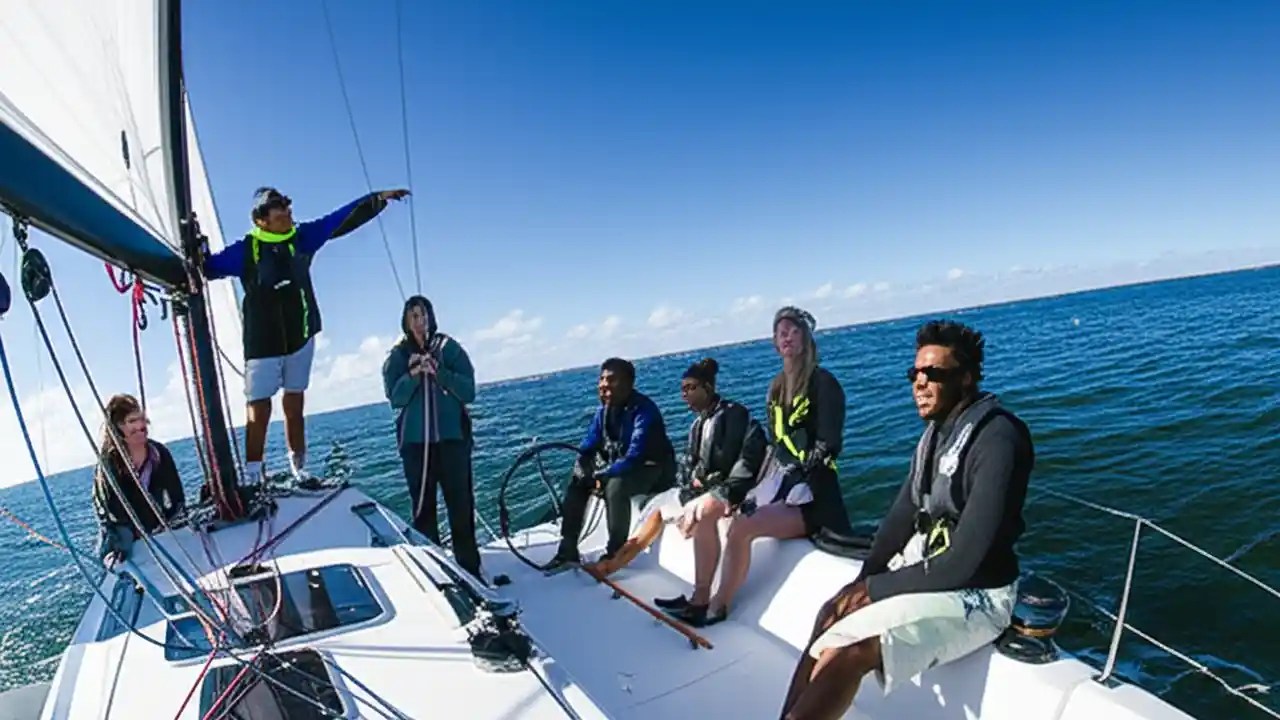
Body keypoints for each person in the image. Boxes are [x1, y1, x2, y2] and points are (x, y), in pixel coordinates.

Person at [778, 320, 1034, 720]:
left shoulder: (999, 438)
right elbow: (899, 519)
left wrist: (877, 589)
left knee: (852, 648)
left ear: (966, 379)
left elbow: (966, 560)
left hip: (979, 594)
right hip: (931, 575)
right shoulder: (934, 435)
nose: (920, 382)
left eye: (934, 373)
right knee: (831, 610)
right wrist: (861, 581)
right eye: (914, 373)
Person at [203, 186, 410, 484]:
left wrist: (378, 199)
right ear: (261, 219)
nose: (287, 209)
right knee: (258, 408)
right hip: (262, 345)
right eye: (278, 206)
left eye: (287, 204)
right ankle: (251, 475)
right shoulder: (246, 250)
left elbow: (338, 221)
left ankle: (298, 468)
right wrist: (197, 256)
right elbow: (209, 267)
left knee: (294, 402)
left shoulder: (302, 237)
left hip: (301, 336)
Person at [689, 306, 852, 627]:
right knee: (730, 517)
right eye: (782, 333)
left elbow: (829, 443)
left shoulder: (824, 383)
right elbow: (775, 447)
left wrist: (801, 475)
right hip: (783, 485)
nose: (788, 337)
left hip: (816, 495)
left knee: (742, 528)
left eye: (794, 331)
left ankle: (718, 607)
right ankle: (701, 596)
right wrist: (752, 491)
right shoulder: (776, 387)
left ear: (805, 339)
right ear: (775, 343)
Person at [589, 358, 766, 595]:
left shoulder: (732, 414)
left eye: (691, 388)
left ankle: (612, 564)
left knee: (657, 512)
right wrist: (692, 480)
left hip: (723, 491)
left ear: (708, 388)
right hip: (699, 489)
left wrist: (710, 486)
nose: (685, 394)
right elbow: (693, 462)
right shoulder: (697, 425)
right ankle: (614, 560)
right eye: (683, 389)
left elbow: (732, 459)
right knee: (655, 509)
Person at [543, 358, 677, 573]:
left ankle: (615, 552)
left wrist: (602, 476)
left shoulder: (645, 411)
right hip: (621, 469)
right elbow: (588, 446)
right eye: (602, 379)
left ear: (628, 383)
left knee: (616, 486)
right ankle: (567, 551)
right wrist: (583, 467)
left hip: (653, 472)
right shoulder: (602, 412)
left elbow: (635, 456)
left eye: (612, 380)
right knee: (578, 481)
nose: (604, 384)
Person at [382, 295, 482, 580]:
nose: (419, 320)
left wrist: (439, 372)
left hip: (452, 441)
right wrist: (413, 374)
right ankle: (435, 572)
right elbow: (395, 399)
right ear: (406, 320)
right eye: (413, 315)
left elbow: (469, 390)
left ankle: (470, 569)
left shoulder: (448, 348)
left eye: (423, 314)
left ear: (431, 317)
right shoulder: (398, 356)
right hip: (416, 446)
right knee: (423, 511)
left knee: (461, 506)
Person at [92, 394, 186, 565]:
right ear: (118, 428)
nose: (139, 426)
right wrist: (130, 538)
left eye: (141, 421)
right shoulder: (109, 465)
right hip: (120, 539)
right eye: (132, 422)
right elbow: (112, 511)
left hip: (156, 530)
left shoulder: (159, 454)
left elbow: (176, 495)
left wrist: (173, 520)